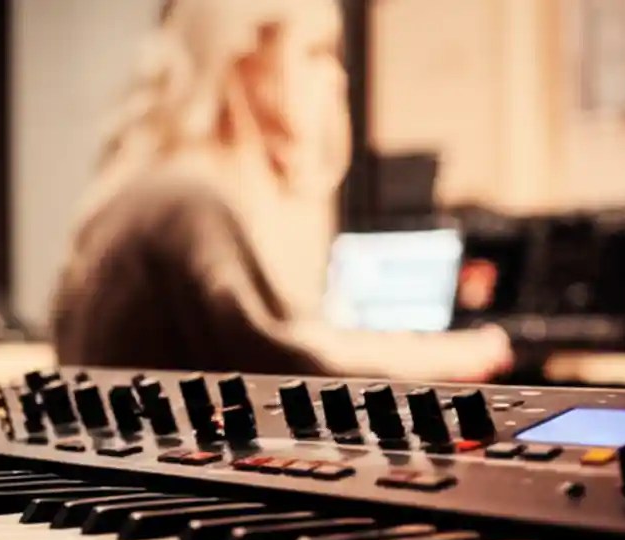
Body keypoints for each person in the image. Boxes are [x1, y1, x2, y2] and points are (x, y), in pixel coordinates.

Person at [49, 0, 514, 381]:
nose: (336, 77)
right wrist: (450, 359)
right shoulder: (185, 199)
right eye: (314, 52)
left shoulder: (145, 185)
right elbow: (285, 361)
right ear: (246, 63)